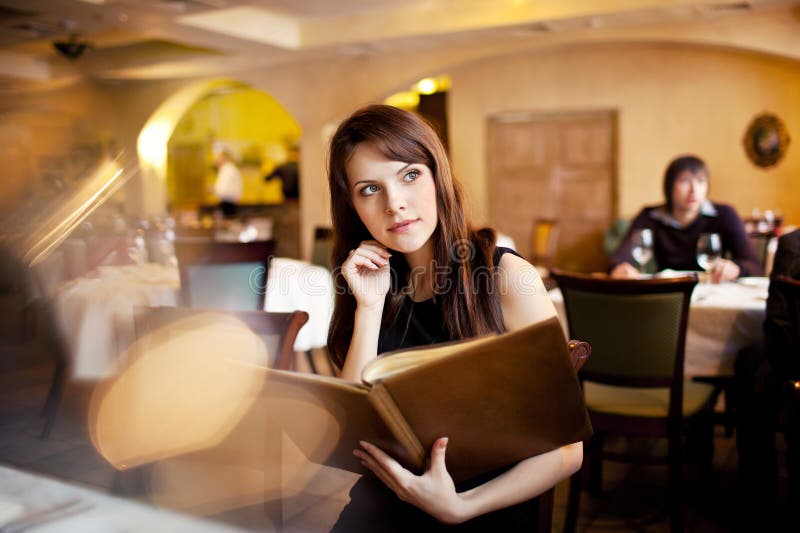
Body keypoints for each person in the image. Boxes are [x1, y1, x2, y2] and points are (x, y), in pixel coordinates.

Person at [325, 104, 582, 531]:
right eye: (370, 189)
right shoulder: (367, 283)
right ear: (352, 205)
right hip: (383, 501)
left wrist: (460, 507)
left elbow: (566, 450)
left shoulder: (506, 278)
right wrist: (369, 309)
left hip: (482, 507)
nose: (395, 205)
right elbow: (356, 439)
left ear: (437, 176)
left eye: (410, 175)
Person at [609, 155, 762, 282]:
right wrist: (620, 268)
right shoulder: (650, 217)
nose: (693, 190)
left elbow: (754, 265)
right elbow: (619, 258)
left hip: (712, 291)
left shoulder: (724, 215)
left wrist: (736, 268)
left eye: (700, 181)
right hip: (668, 293)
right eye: (685, 181)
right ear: (669, 186)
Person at [212, 142, 243, 217]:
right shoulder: (227, 169)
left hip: (228, 202)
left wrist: (213, 190)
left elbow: (224, 190)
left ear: (224, 157)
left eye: (218, 158)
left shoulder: (228, 169)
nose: (216, 161)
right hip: (227, 202)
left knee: (228, 223)